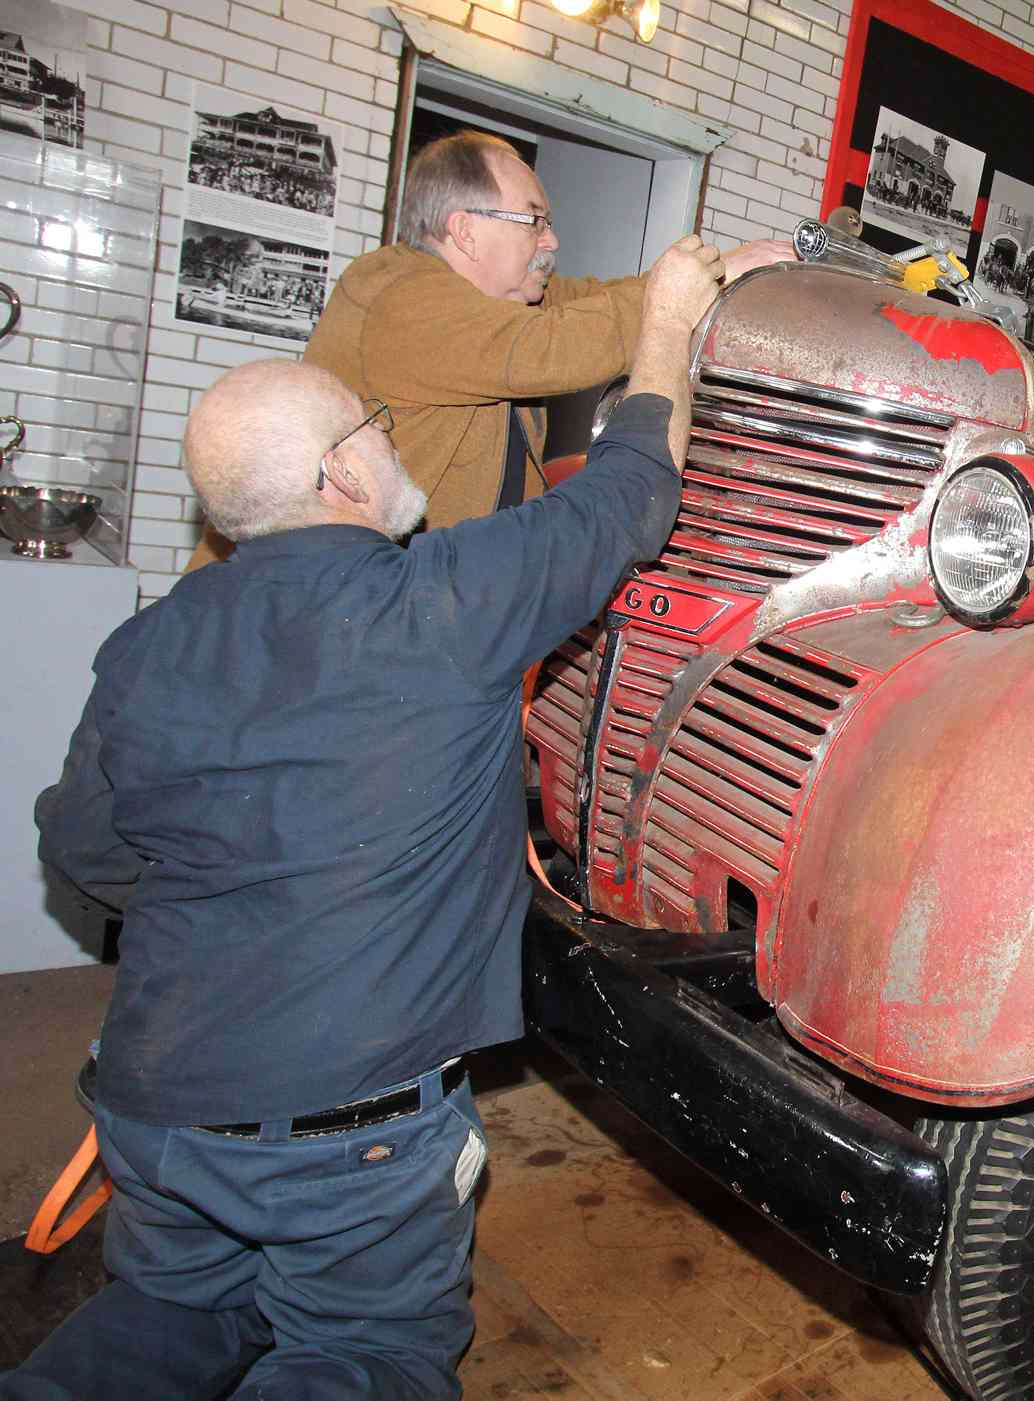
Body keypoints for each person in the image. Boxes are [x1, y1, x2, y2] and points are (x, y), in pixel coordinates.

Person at [2, 233, 722, 1401]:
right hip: (345, 1139)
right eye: (375, 424)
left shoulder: (148, 644)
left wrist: (237, 894)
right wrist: (670, 324)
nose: (393, 439)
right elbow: (632, 490)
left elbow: (82, 848)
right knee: (362, 1360)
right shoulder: (445, 603)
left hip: (155, 1103)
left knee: (170, 1316)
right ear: (341, 473)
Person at [185, 129, 786, 567]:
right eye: (533, 220)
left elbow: (599, 301)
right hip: (308, 615)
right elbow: (555, 346)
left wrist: (716, 273)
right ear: (465, 230)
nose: (551, 240)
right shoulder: (400, 293)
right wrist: (703, 282)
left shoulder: (494, 303)